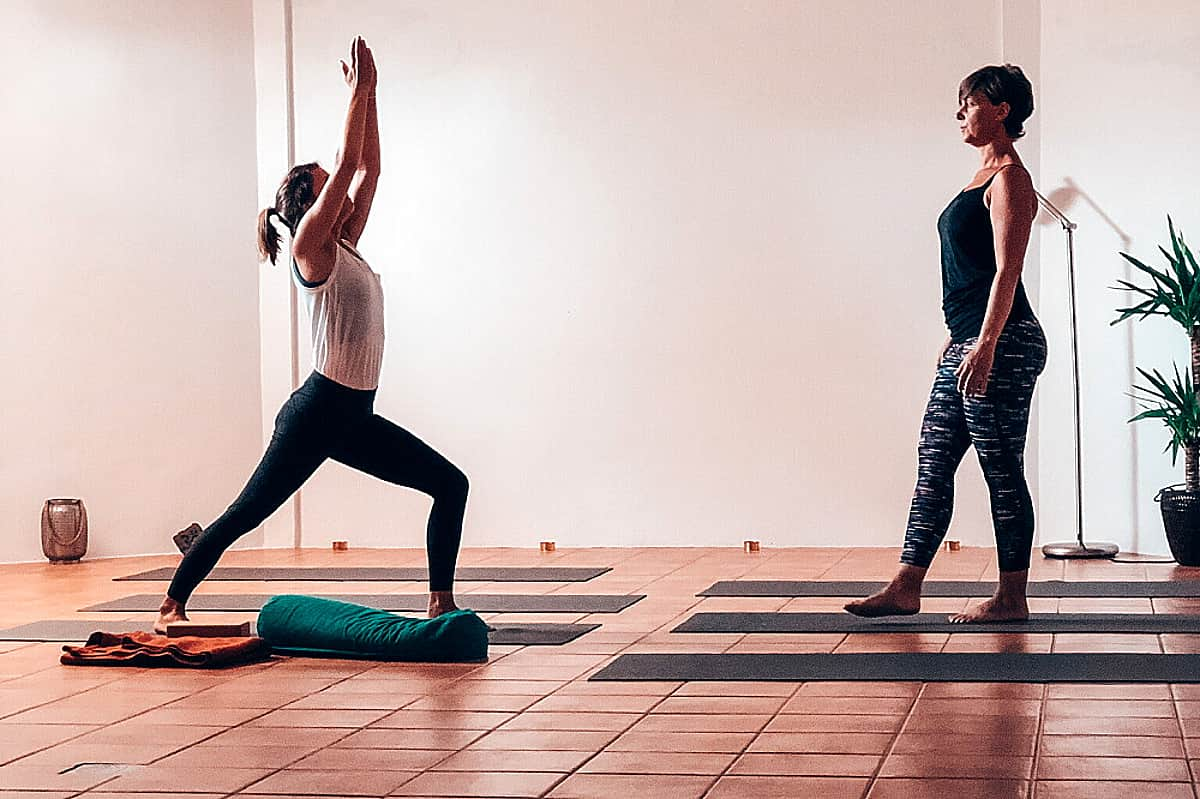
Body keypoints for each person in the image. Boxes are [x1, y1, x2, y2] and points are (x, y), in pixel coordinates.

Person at [155, 36, 468, 633]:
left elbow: (369, 169)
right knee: (245, 514)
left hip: (353, 416)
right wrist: (356, 93)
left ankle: (439, 604)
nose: (342, 195)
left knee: (449, 484)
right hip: (316, 414)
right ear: (310, 204)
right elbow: (350, 165)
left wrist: (372, 95)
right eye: (328, 189)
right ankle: (172, 603)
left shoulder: (344, 247)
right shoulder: (310, 249)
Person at [845, 64, 1046, 623]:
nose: (960, 114)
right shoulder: (976, 180)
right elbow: (971, 272)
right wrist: (958, 337)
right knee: (933, 461)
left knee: (999, 467)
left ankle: (1011, 598)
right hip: (970, 340)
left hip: (1004, 343)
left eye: (969, 103)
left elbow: (1008, 271)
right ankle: (906, 586)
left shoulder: (1010, 179)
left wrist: (984, 344)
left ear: (1000, 109)